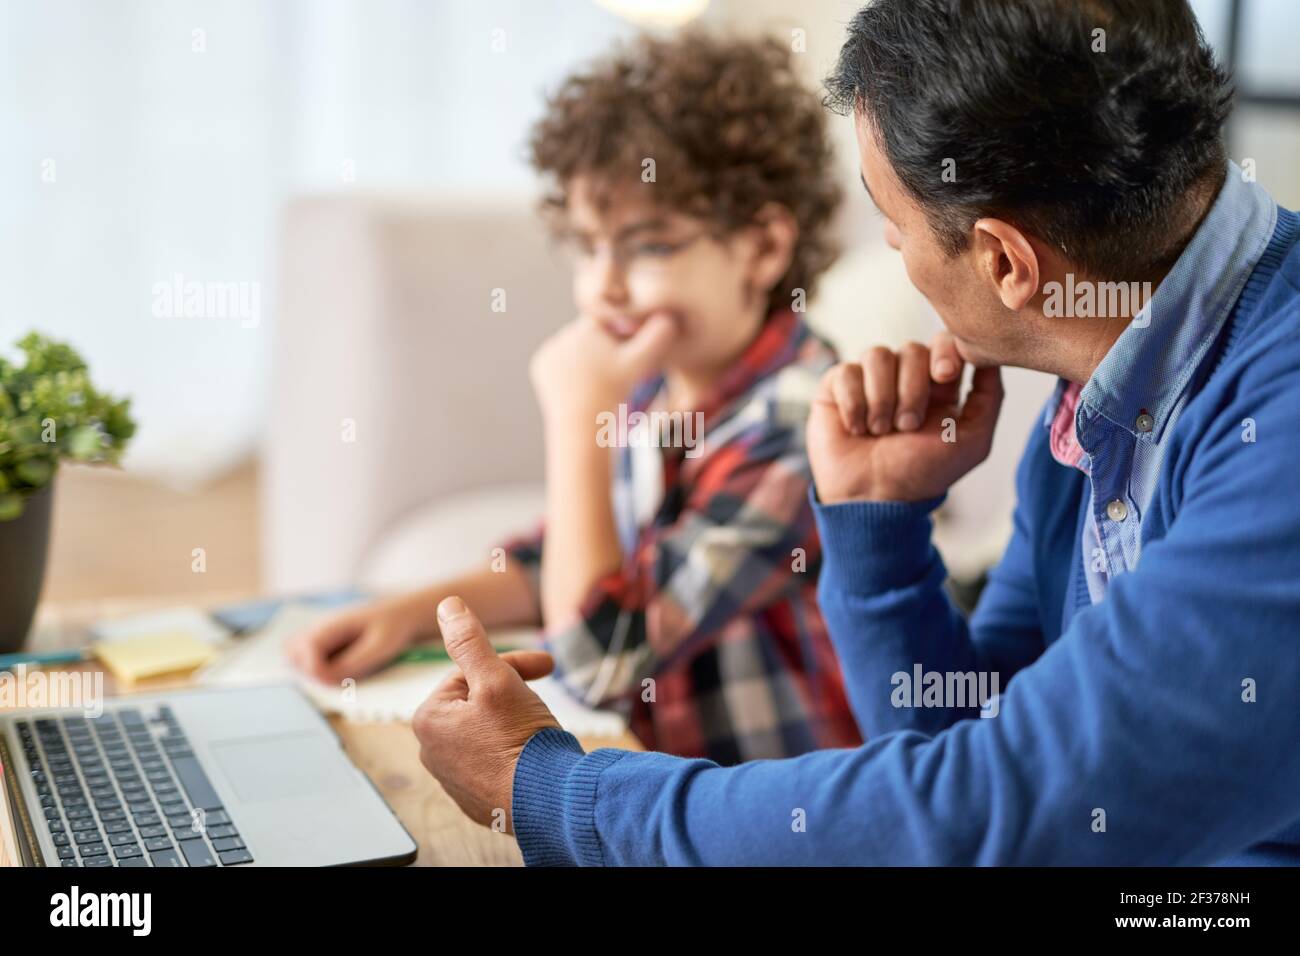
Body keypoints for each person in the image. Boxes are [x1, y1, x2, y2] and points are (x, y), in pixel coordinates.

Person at [411, 0, 1300, 866]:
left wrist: (557, 794)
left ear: (1003, 262)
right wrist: (878, 531)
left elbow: (995, 814)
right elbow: (969, 738)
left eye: (893, 221)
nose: (889, 247)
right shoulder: (1104, 389)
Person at [288, 33, 862, 763]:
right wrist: (404, 617)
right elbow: (560, 559)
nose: (603, 287)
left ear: (762, 247)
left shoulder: (802, 418)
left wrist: (576, 419)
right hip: (655, 765)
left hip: (761, 805)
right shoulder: (658, 379)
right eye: (589, 246)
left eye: (649, 246)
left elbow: (601, 659)